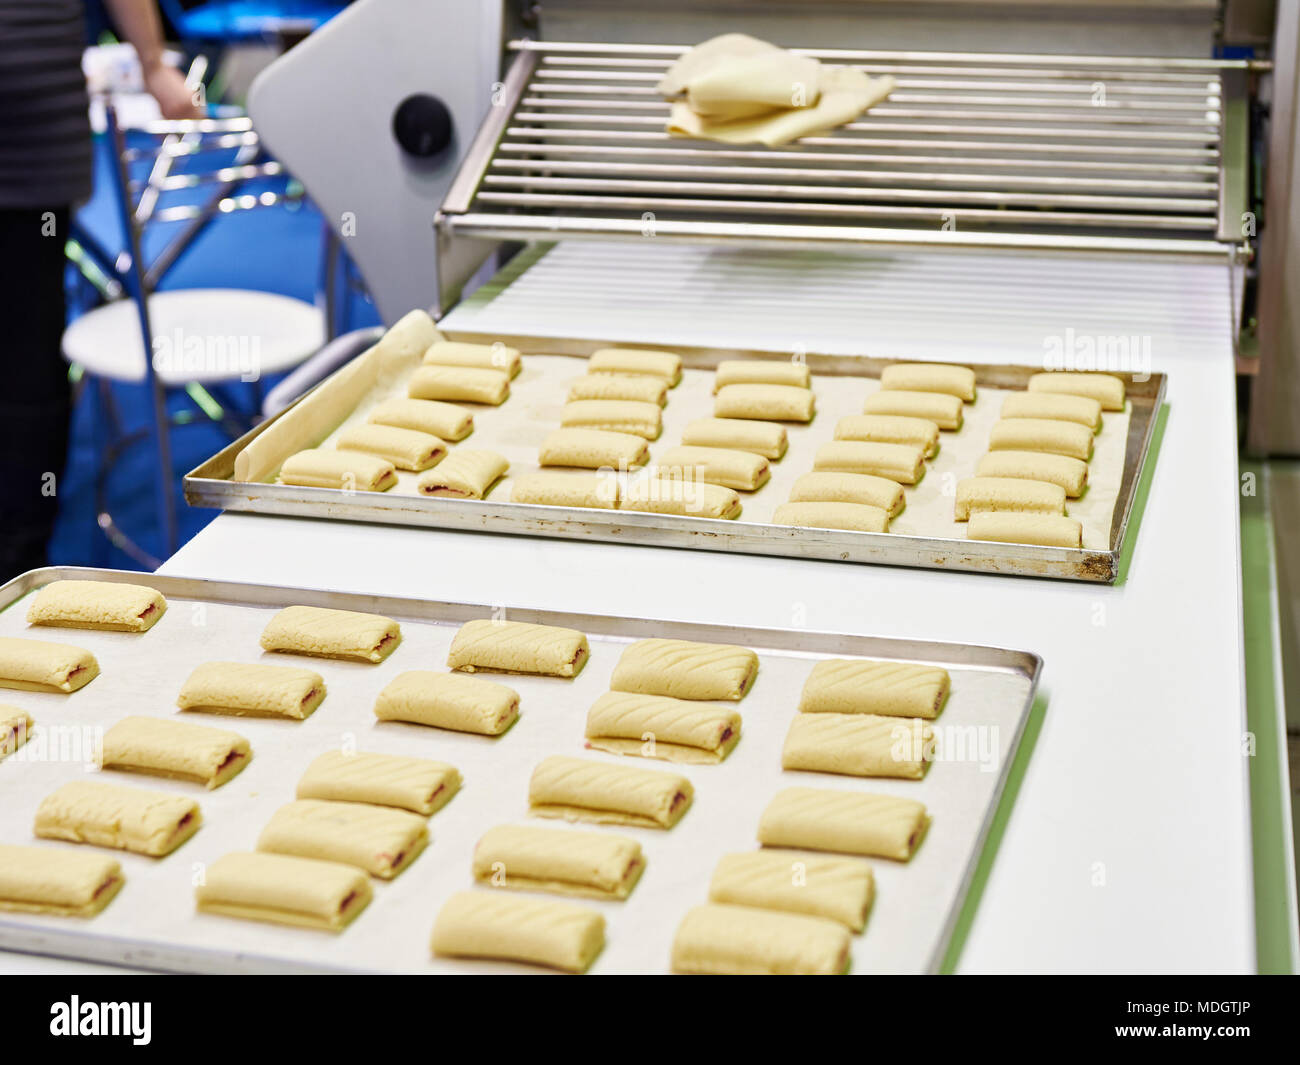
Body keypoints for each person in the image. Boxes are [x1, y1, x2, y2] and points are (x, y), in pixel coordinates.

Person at [0, 1, 202, 579]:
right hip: (38, 127)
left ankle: (20, 553)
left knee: (29, 363)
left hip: (31, 139)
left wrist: (152, 62)